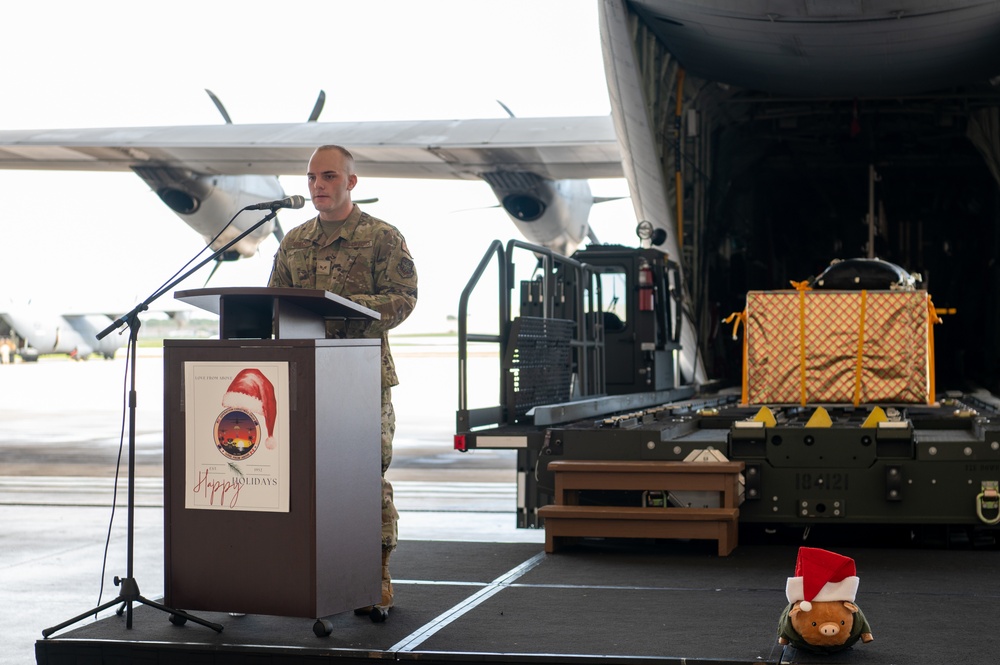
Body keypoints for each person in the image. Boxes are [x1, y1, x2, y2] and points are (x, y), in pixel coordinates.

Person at [268, 145, 417, 616]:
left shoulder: (381, 237)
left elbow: (404, 298)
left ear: (351, 182)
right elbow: (272, 303)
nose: (317, 185)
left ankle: (375, 578)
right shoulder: (293, 242)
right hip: (302, 381)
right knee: (299, 480)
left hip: (361, 378)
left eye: (328, 176)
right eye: (312, 177)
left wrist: (348, 311)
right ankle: (297, 573)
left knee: (364, 478)